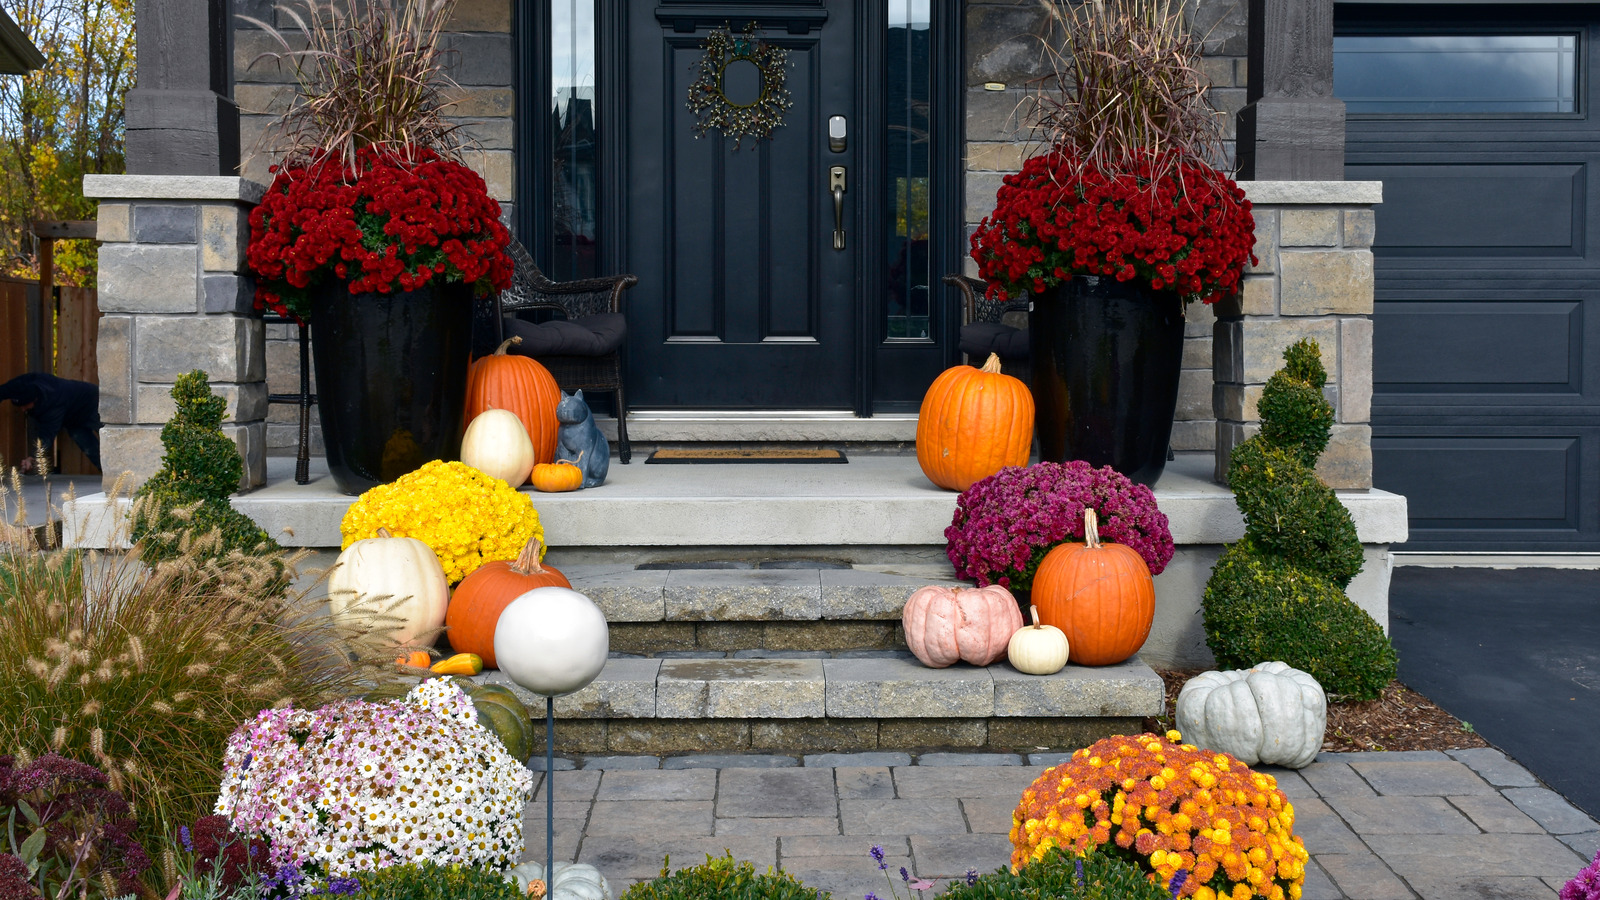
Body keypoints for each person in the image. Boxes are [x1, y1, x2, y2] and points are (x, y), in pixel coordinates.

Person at [0, 373, 101, 473]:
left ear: (34, 400)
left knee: (111, 436)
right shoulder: (27, 382)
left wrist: (32, 457)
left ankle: (115, 475)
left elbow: (46, 436)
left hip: (94, 403)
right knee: (90, 448)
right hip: (72, 418)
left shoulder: (53, 406)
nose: (22, 409)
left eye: (25, 405)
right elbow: (3, 391)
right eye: (20, 406)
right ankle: (110, 473)